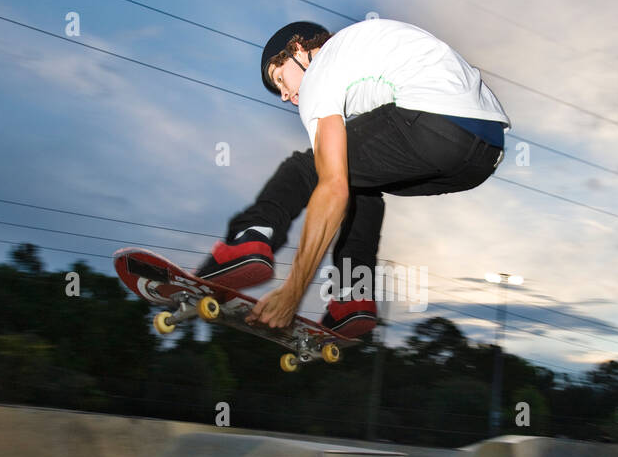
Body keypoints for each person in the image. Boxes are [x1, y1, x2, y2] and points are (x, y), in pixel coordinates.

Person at [196, 18, 509, 337]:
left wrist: (293, 292)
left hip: (436, 120)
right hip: (484, 152)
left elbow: (332, 188)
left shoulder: (321, 69)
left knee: (309, 167)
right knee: (359, 182)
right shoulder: (359, 51)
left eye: (280, 79)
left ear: (299, 50)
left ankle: (249, 239)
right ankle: (353, 296)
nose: (285, 96)